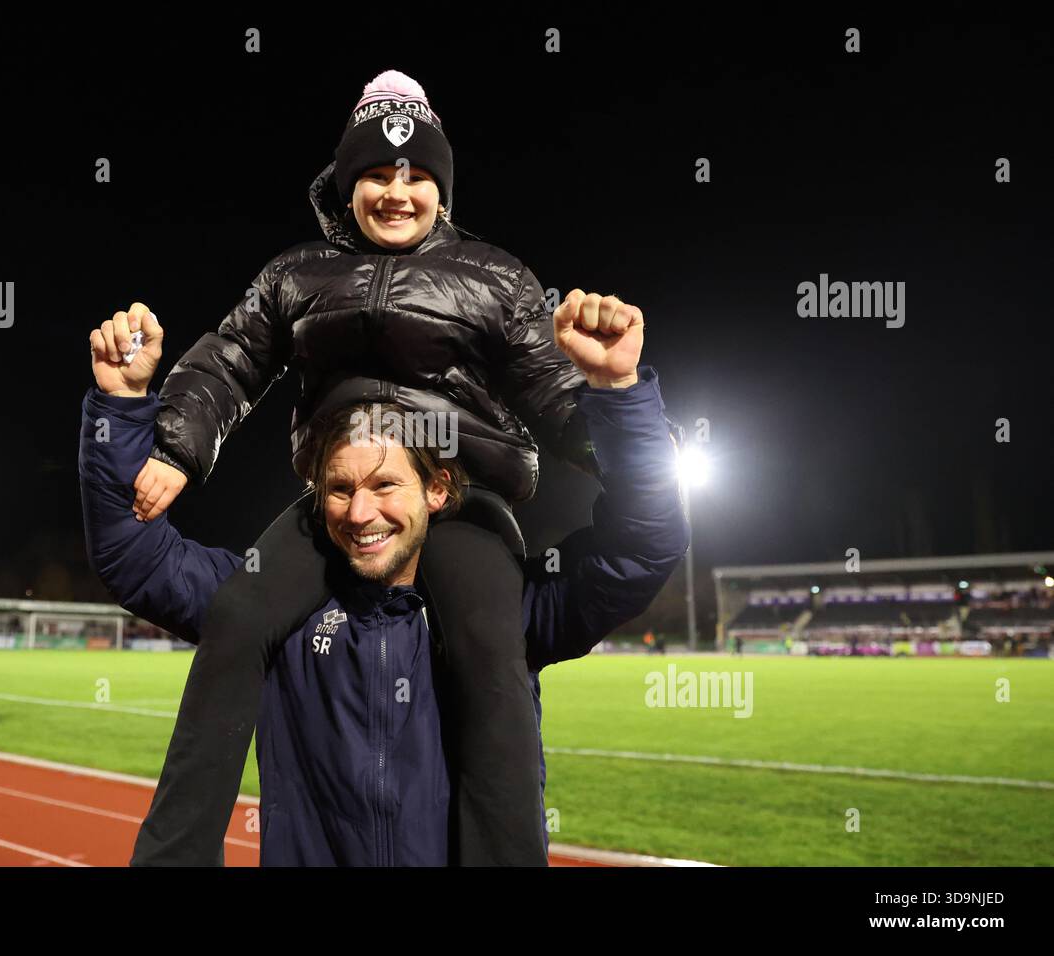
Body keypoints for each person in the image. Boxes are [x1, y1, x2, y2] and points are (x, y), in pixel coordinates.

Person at [98, 69, 638, 866]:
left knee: (489, 644)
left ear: (441, 190)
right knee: (237, 618)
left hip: (460, 500)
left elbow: (554, 394)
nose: (397, 192)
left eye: (416, 175)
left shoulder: (494, 276)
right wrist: (177, 445)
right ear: (345, 184)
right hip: (344, 501)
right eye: (377, 174)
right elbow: (230, 360)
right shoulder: (296, 274)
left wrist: (625, 425)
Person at [81, 282, 689, 865]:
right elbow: (134, 558)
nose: (360, 513)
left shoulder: (509, 612)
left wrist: (618, 391)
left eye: (385, 485)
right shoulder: (272, 607)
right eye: (340, 489)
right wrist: (121, 404)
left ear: (437, 489)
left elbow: (642, 546)